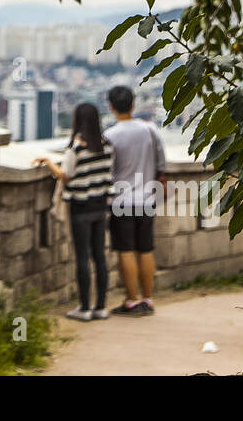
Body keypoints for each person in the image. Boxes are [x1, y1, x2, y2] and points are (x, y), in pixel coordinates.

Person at [34, 103, 113, 322]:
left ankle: (85, 307)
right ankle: (101, 307)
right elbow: (108, 177)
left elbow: (66, 175)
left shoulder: (77, 148)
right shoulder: (107, 146)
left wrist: (49, 162)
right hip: (100, 207)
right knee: (99, 256)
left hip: (80, 208)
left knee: (82, 257)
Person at [104, 85, 167, 317]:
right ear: (133, 104)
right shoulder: (150, 130)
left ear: (111, 107)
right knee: (145, 249)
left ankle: (131, 300)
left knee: (126, 250)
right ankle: (147, 299)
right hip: (147, 198)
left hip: (121, 200)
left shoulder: (110, 136)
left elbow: (108, 170)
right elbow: (161, 165)